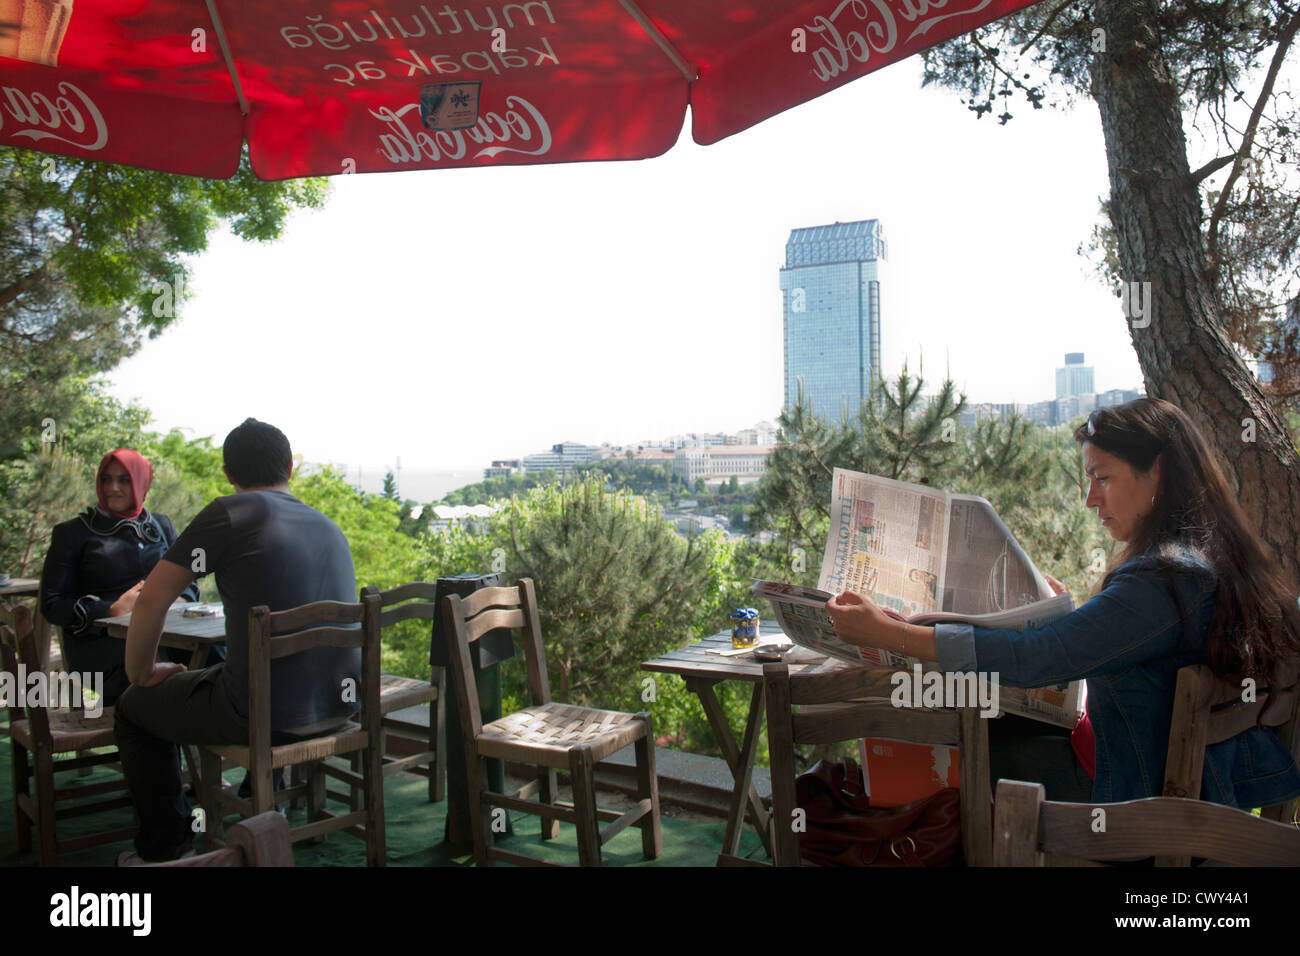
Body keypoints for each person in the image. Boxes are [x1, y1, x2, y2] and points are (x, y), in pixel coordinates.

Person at [826, 398, 1300, 809]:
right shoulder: (1207, 559)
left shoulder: (1166, 579)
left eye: (1102, 477)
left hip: (1124, 792)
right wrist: (1060, 617)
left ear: (1156, 470)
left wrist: (894, 635)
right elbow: (1129, 645)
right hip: (1151, 769)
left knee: (936, 746)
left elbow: (1043, 659)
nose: (1091, 498)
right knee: (971, 728)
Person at [113, 418, 359, 864]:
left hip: (260, 716)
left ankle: (166, 848)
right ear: (289, 467)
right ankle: (261, 798)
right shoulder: (328, 525)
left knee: (133, 706)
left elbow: (152, 599)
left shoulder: (230, 512)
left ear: (228, 473)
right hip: (341, 708)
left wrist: (142, 673)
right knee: (230, 675)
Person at [40, 449, 200, 705]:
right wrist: (110, 610)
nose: (113, 487)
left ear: (141, 482)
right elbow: (51, 604)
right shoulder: (72, 534)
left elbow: (188, 582)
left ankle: (245, 740)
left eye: (124, 480)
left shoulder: (161, 526)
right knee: (164, 685)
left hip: (168, 634)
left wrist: (178, 600)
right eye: (106, 479)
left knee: (218, 660)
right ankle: (161, 742)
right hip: (103, 648)